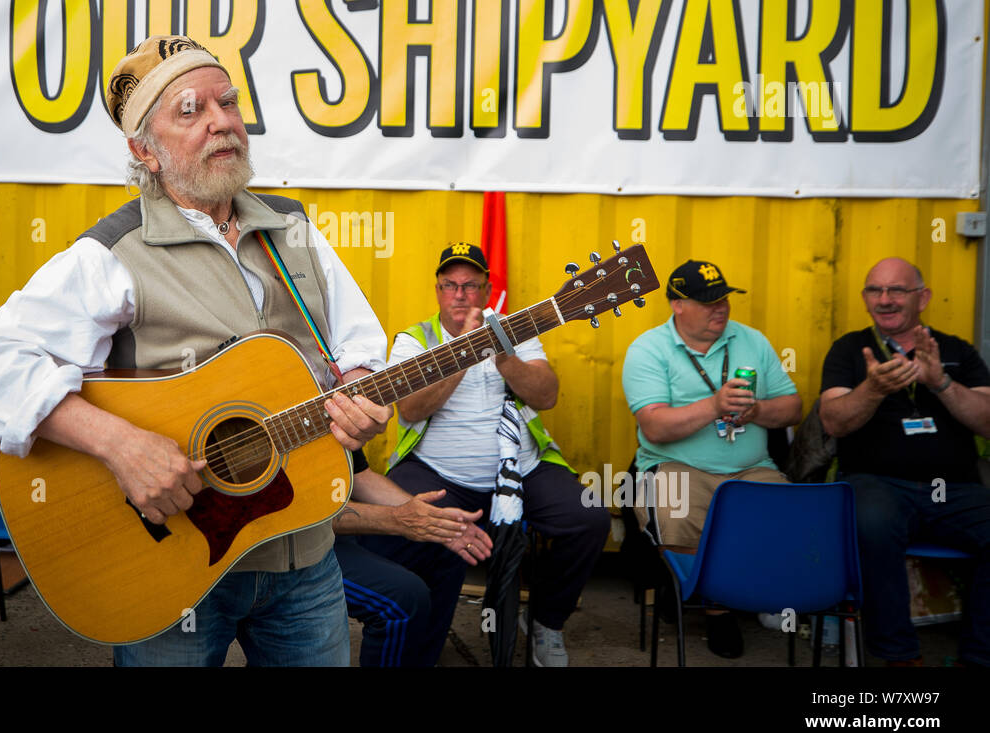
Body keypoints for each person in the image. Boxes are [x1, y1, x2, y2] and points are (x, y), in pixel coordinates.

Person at [0, 35, 391, 667]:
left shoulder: (293, 229)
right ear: (145, 151)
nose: (221, 122)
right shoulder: (114, 251)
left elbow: (359, 347)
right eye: (189, 110)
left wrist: (360, 389)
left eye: (227, 102)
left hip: (303, 553)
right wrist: (120, 444)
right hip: (171, 558)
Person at [361, 242, 608, 667]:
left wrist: (500, 354)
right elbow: (412, 408)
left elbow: (546, 395)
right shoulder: (414, 339)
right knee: (404, 529)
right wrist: (463, 353)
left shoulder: (516, 329)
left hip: (520, 468)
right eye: (450, 285)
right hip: (439, 470)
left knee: (588, 518)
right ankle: (416, 632)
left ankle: (546, 622)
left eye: (470, 285)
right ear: (437, 290)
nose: (459, 295)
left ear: (487, 289)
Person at [621, 259, 801, 658]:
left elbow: (793, 409)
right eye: (707, 301)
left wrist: (757, 412)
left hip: (751, 468)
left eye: (724, 298)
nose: (720, 307)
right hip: (675, 467)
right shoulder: (648, 349)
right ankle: (716, 608)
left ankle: (733, 594)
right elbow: (655, 427)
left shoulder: (752, 340)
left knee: (795, 518)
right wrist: (716, 404)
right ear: (676, 305)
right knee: (677, 512)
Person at [819, 257, 990, 666]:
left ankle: (979, 657)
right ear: (865, 299)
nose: (885, 299)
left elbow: (987, 421)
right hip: (877, 482)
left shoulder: (954, 351)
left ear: (923, 297)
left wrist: (942, 384)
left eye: (896, 290)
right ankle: (898, 656)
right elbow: (834, 421)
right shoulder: (849, 350)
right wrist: (872, 389)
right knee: (871, 525)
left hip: (953, 488)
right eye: (875, 291)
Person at [332, 447, 493, 666]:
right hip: (291, 548)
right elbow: (312, 516)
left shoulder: (321, 415)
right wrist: (398, 519)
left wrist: (432, 518)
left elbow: (361, 477)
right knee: (402, 601)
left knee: (444, 539)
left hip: (331, 536)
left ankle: (421, 660)